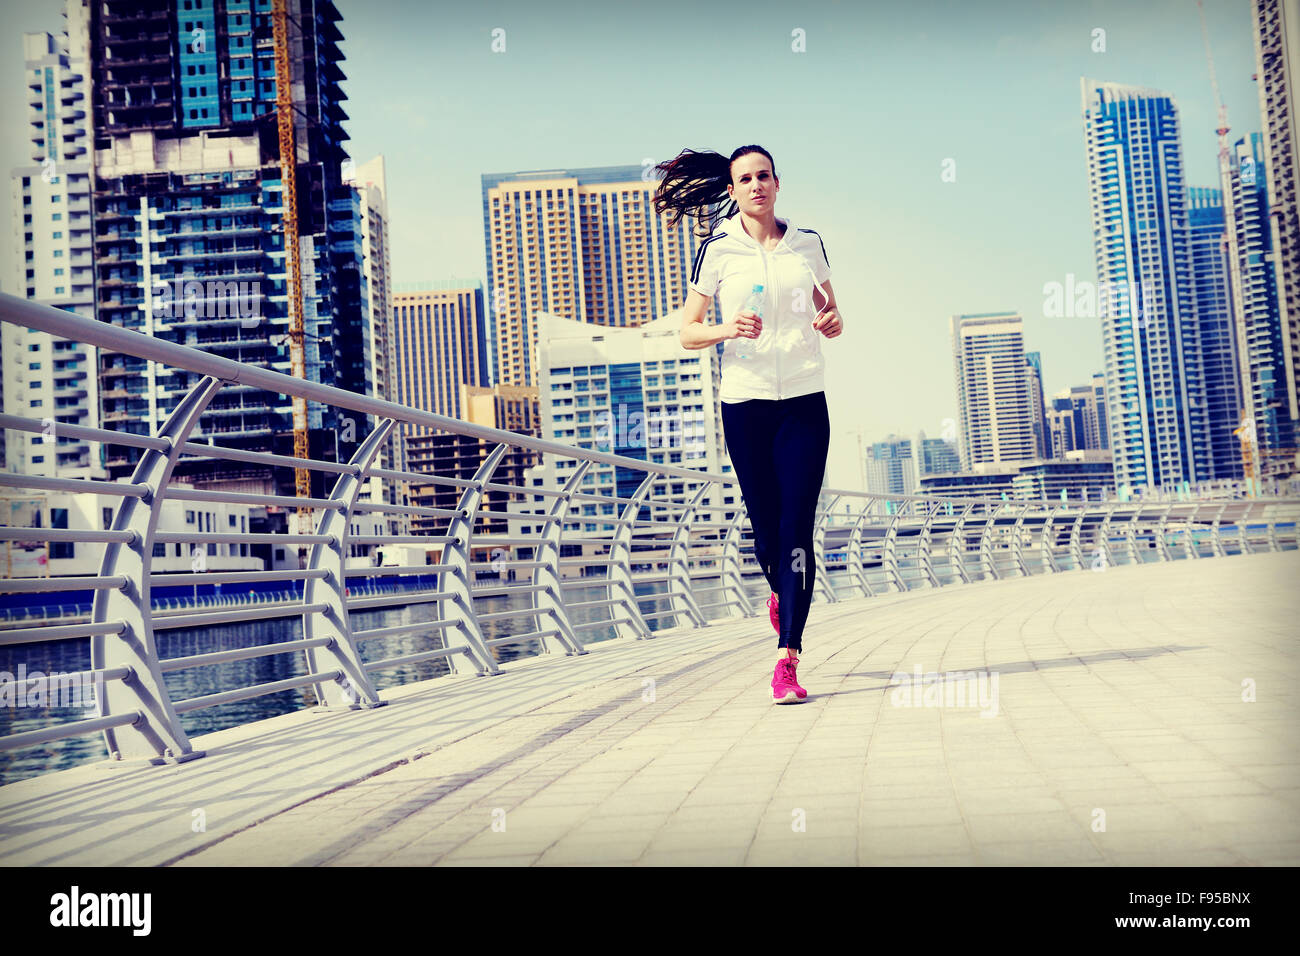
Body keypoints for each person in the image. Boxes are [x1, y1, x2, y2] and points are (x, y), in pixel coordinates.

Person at [653, 145, 842, 704]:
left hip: (805, 400)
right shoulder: (718, 250)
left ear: (778, 184)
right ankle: (783, 596)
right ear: (732, 190)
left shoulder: (808, 244)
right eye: (745, 179)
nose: (756, 185)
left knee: (797, 527)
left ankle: (788, 657)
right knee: (765, 527)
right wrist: (726, 327)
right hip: (746, 404)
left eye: (764, 176)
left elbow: (833, 311)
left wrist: (831, 320)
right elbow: (686, 331)